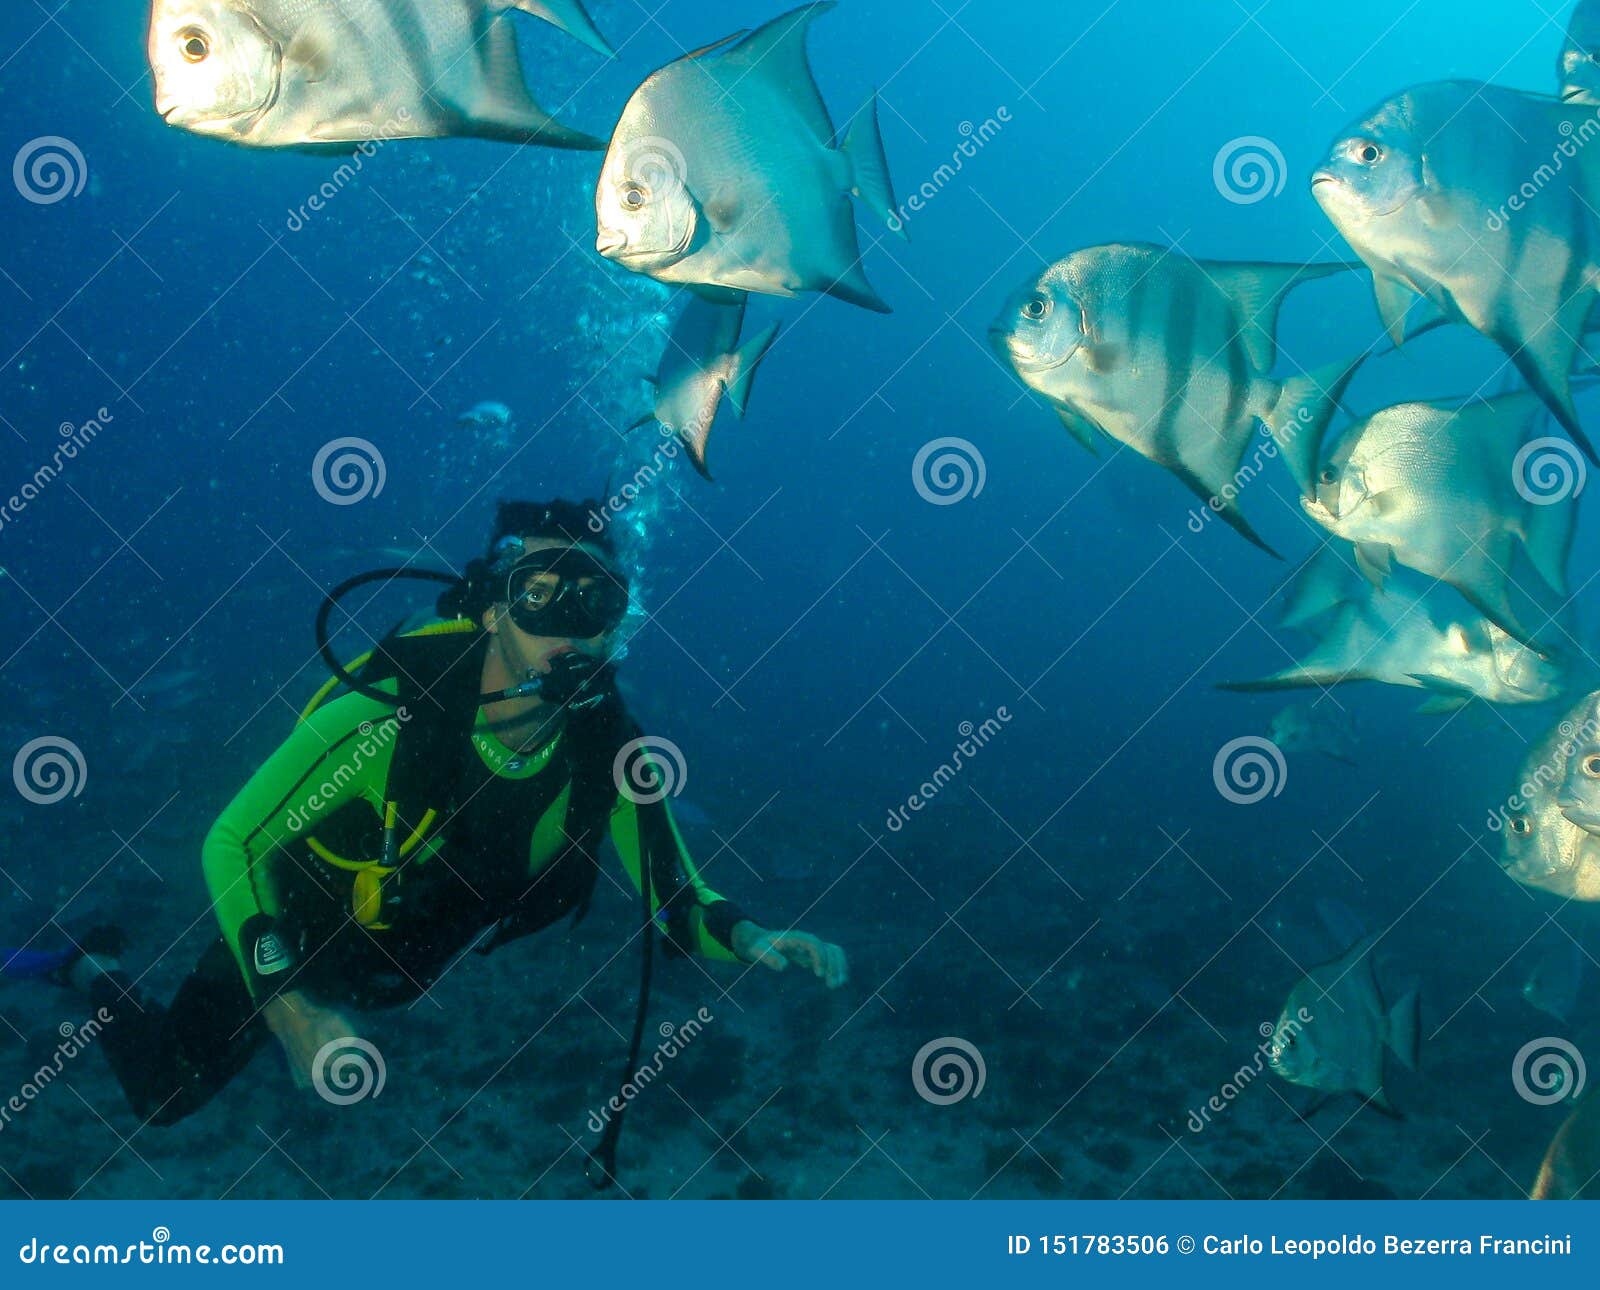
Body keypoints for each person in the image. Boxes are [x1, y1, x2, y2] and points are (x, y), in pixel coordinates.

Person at [42, 498, 847, 1163]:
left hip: (397, 970)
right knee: (165, 1096)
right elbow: (234, 842)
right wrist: (287, 1009)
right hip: (291, 935)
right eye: (540, 594)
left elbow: (676, 905)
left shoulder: (611, 752)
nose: (567, 622)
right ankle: (92, 969)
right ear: (494, 609)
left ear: (615, 626)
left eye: (595, 602)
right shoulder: (390, 714)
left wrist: (748, 936)